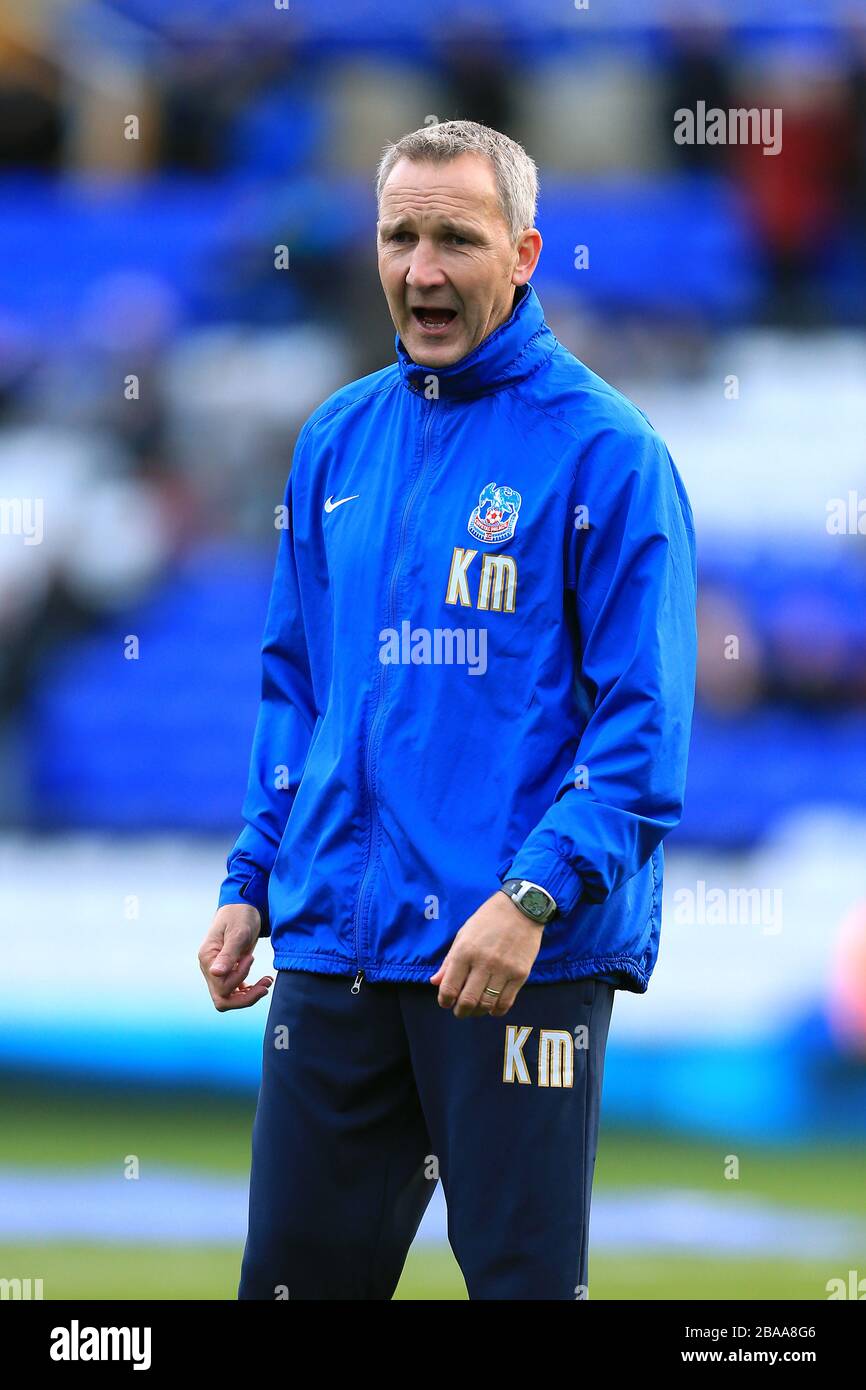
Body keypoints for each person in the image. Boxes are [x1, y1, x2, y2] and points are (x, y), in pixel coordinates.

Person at [198, 119, 698, 1301]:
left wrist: (528, 897)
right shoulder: (336, 437)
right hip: (335, 946)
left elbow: (642, 728)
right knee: (289, 1283)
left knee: (521, 1288)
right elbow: (297, 688)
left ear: (522, 253)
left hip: (515, 954)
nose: (420, 269)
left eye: (454, 239)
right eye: (399, 236)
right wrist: (250, 879)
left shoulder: (606, 454)